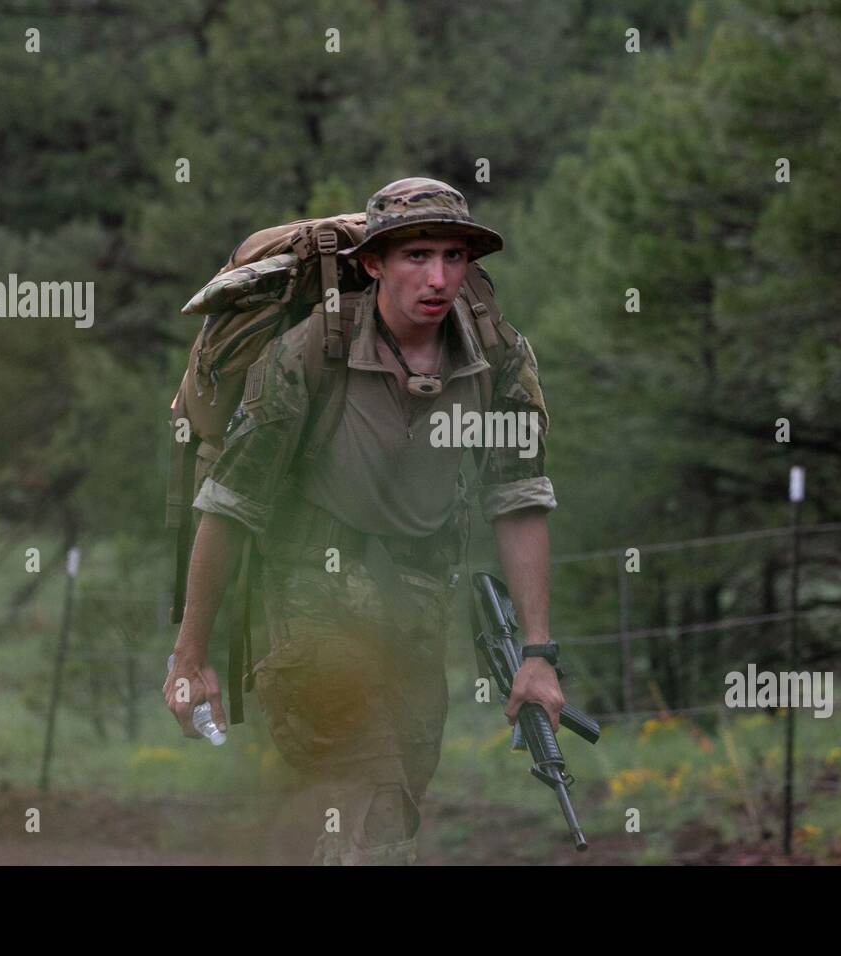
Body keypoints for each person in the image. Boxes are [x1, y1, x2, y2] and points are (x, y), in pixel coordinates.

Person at [164, 177, 562, 864]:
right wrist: (190, 654)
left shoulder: (498, 356)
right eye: (415, 256)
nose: (436, 277)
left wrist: (537, 656)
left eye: (452, 257)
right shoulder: (309, 352)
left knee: (396, 799)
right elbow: (231, 505)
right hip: (307, 606)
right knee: (375, 807)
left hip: (415, 609)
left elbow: (519, 498)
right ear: (374, 262)